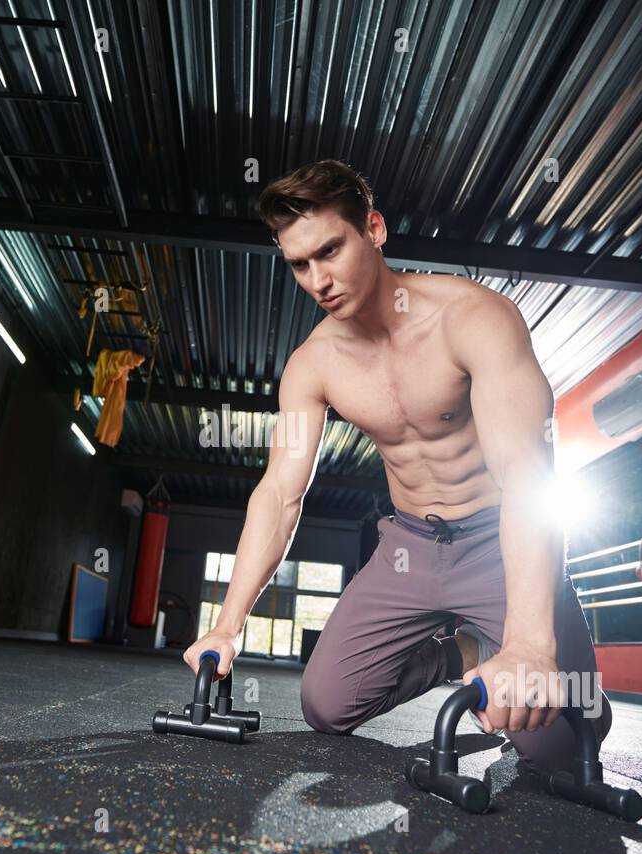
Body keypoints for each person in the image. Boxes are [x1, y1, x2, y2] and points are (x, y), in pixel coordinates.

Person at [182, 159, 612, 774]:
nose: (317, 279)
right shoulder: (315, 364)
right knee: (326, 706)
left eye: (330, 250)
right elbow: (279, 493)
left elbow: (529, 479)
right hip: (409, 547)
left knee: (563, 745)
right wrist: (227, 626)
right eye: (299, 265)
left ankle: (520, 658)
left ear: (375, 230)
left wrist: (528, 646)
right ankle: (460, 650)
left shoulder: (473, 319)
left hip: (499, 540)